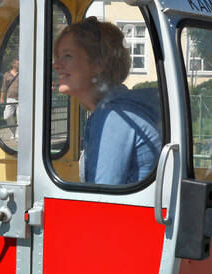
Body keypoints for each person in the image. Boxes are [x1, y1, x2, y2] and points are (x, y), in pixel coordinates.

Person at [52, 17, 160, 186]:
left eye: (67, 56)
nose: (56, 65)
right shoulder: (118, 110)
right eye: (57, 56)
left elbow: (101, 197)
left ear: (98, 64)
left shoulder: (114, 117)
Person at [0, 57, 20, 126]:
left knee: (20, 118)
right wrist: (1, 98)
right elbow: (3, 87)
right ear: (13, 64)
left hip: (21, 99)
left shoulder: (23, 73)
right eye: (18, 64)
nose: (19, 65)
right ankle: (13, 131)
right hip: (10, 98)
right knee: (7, 116)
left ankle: (19, 134)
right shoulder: (7, 74)